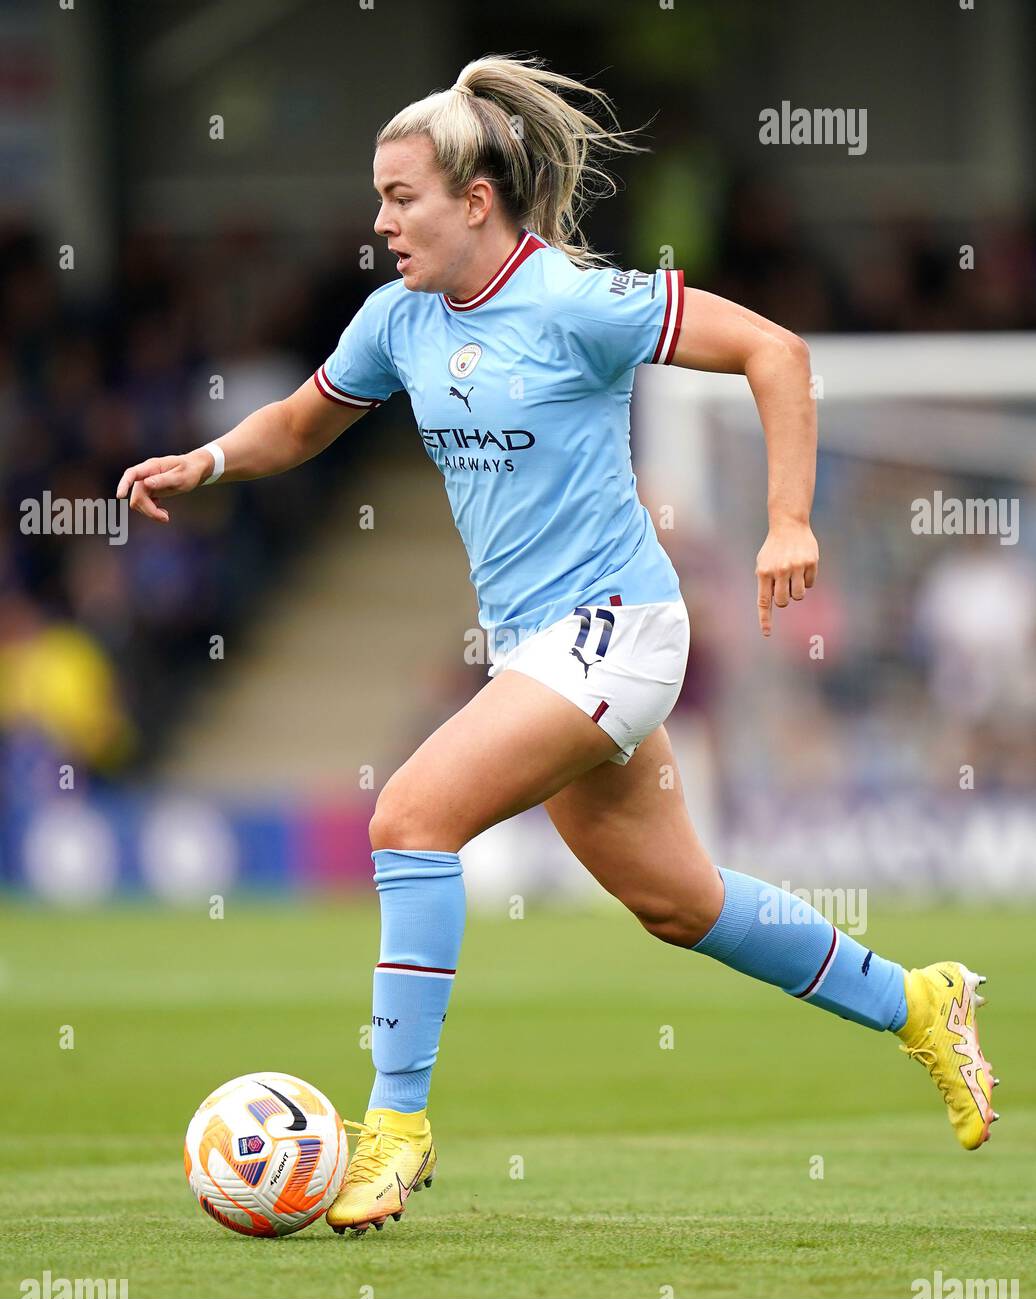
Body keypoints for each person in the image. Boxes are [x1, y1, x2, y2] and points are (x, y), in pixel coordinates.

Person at [116, 54, 998, 1237]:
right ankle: (920, 1003)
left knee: (407, 819)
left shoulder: (580, 303)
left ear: (474, 200)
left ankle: (396, 1130)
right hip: (540, 648)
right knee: (678, 903)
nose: (379, 223)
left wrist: (788, 518)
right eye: (378, 200)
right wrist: (209, 460)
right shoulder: (399, 320)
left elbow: (776, 352)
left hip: (618, 633)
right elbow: (300, 421)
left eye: (400, 197)